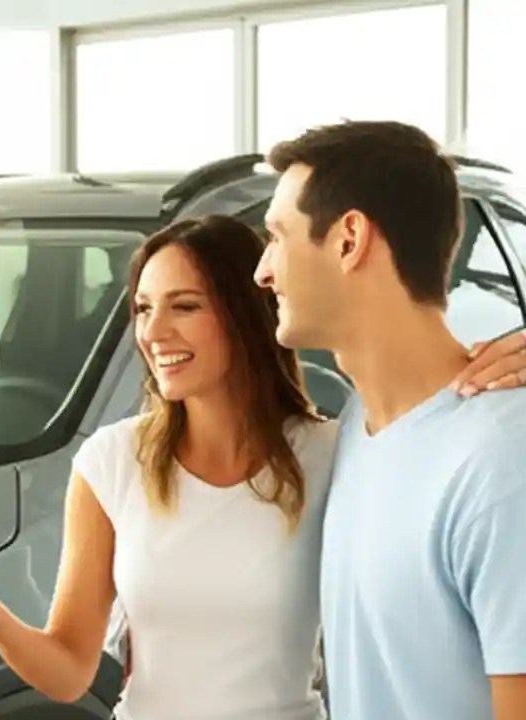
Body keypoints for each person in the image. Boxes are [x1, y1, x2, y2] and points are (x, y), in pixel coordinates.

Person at [0, 188, 526, 716]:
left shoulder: (334, 454)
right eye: (145, 309)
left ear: (244, 314)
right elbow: (70, 669)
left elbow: (426, 412)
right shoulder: (109, 463)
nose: (153, 333)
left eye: (185, 306)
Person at [255, 120, 526, 720]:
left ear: (349, 239)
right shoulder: (358, 429)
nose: (262, 271)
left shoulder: (501, 466)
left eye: (278, 237)